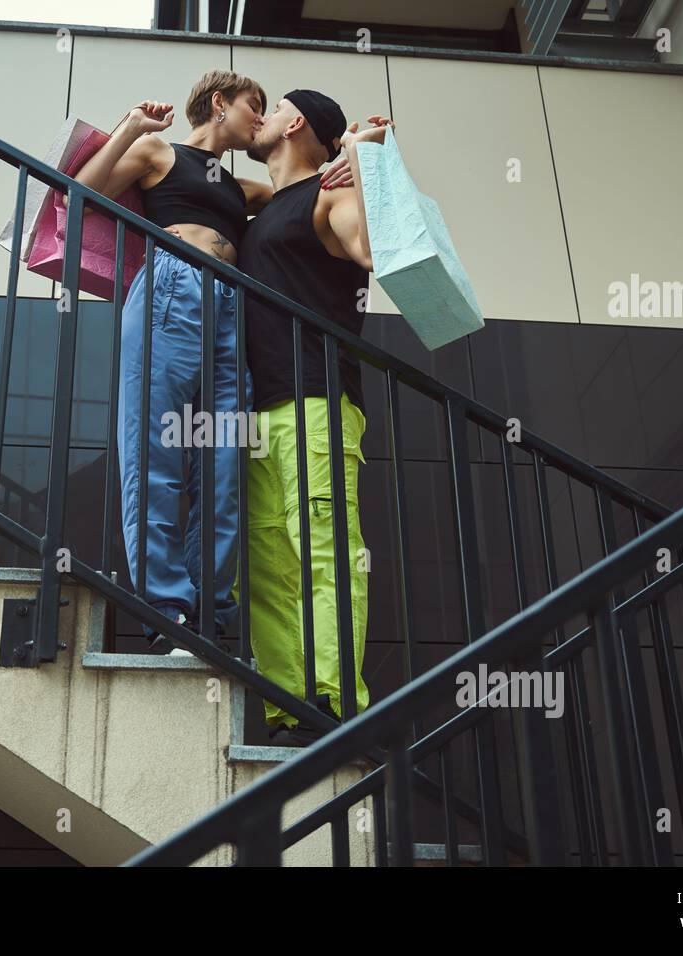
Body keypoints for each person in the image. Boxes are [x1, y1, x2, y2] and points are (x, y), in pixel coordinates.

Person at [73, 71, 351, 654]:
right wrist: (132, 125)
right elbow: (83, 188)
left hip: (230, 307)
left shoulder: (241, 186)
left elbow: (306, 188)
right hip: (171, 290)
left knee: (225, 465)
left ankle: (208, 610)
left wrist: (355, 153)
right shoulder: (159, 152)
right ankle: (166, 607)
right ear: (219, 104)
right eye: (254, 105)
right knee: (155, 454)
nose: (260, 117)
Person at [237, 89, 392, 743]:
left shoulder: (331, 193)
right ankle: (287, 708)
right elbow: (191, 175)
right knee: (270, 567)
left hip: (317, 402)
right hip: (258, 409)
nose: (261, 117)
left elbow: (372, 254)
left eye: (270, 109)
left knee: (324, 556)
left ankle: (332, 704)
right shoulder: (267, 204)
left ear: (295, 121)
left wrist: (362, 160)